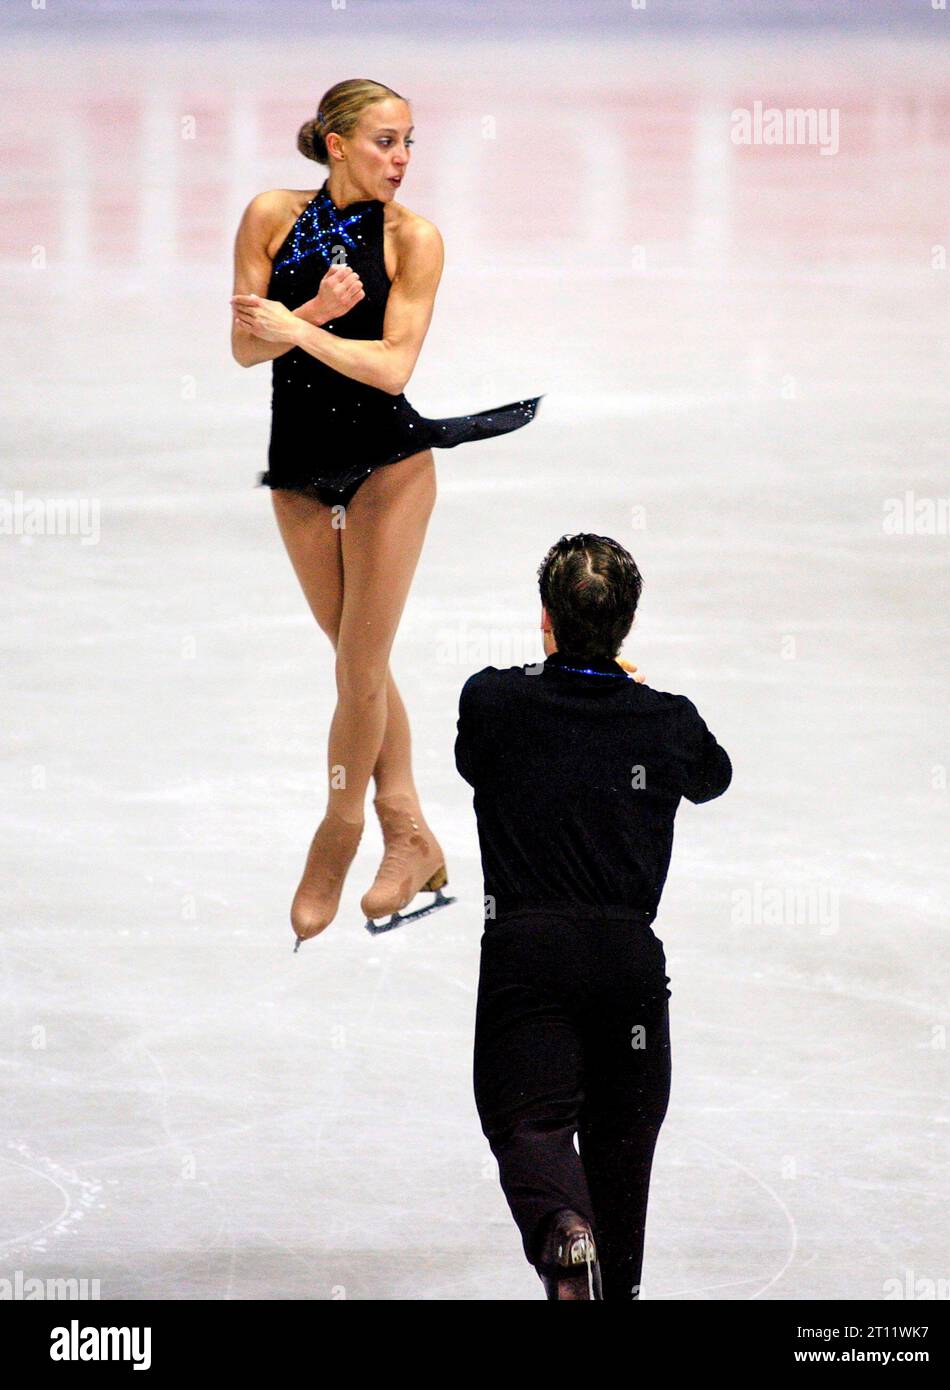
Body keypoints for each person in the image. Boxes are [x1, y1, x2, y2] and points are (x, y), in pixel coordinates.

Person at [229, 79, 541, 948]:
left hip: (389, 466)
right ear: (334, 142)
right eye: (383, 142)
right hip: (297, 470)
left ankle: (340, 832)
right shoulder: (268, 216)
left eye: (409, 143)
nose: (401, 160)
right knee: (353, 659)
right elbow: (242, 346)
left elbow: (393, 368)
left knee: (360, 666)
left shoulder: (414, 239)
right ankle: (410, 827)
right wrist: (311, 315)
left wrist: (307, 327)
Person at [454, 533, 732, 1300]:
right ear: (628, 622)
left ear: (544, 617)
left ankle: (561, 1234)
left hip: (528, 951)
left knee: (530, 1125)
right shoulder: (666, 721)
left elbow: (474, 758)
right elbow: (713, 778)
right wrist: (629, 695)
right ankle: (609, 1277)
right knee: (621, 1155)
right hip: (627, 964)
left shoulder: (493, 700)